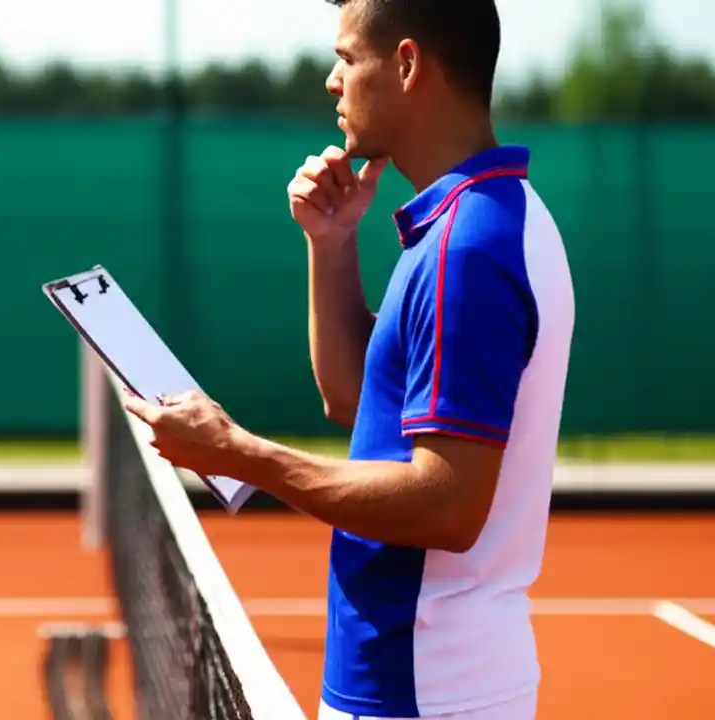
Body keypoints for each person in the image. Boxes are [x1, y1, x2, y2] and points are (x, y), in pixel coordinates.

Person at [121, 0, 574, 718]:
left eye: (346, 59)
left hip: (425, 686)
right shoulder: (477, 221)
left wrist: (241, 454)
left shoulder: (468, 247)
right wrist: (330, 246)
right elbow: (352, 398)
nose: (332, 82)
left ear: (405, 64)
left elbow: (449, 504)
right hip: (420, 681)